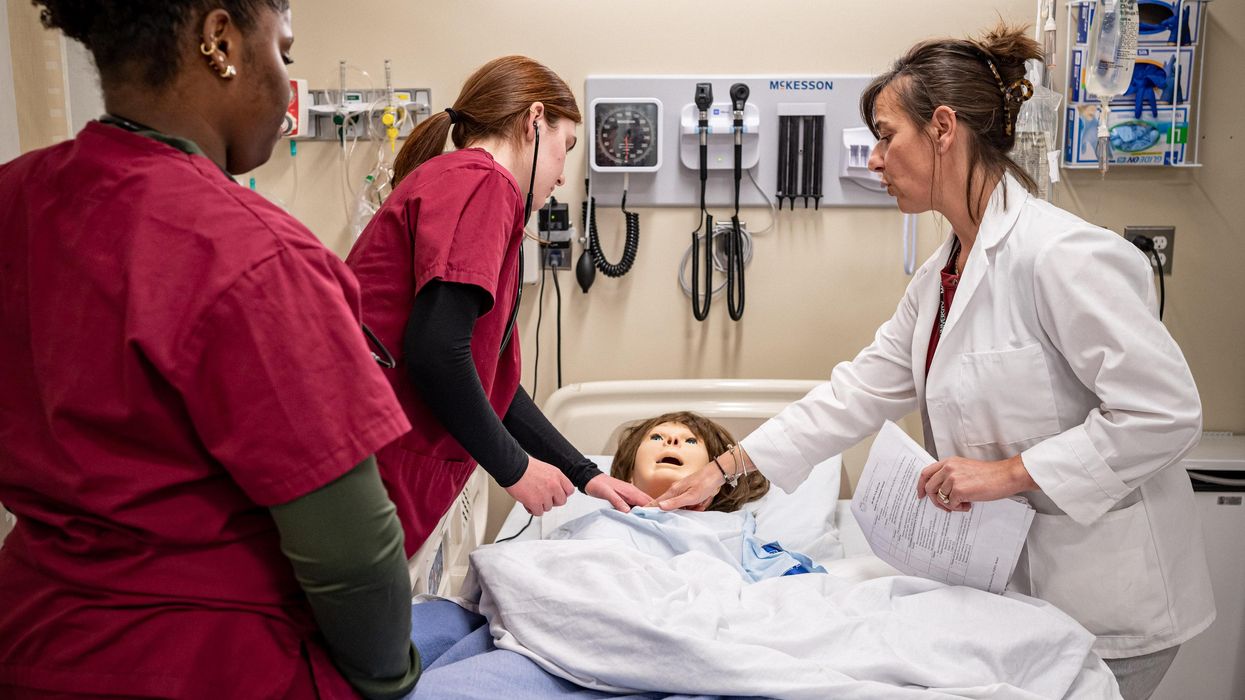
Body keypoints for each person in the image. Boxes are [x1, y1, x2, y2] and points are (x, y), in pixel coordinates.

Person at [650, 23, 1214, 700]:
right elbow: (853, 393)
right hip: (1015, 600)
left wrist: (1004, 474)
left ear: (942, 128)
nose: (874, 159)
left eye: (886, 136)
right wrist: (725, 467)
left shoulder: (1062, 255)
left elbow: (1164, 413)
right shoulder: (939, 277)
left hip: (1109, 602)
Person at [0, 2, 419, 698]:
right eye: (282, 51)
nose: (287, 85)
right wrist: (387, 680)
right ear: (220, 41)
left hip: (32, 639)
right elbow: (351, 554)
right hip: (210, 663)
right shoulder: (252, 255)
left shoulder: (16, 201)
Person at [346, 56, 650, 558]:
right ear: (534, 121)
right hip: (373, 466)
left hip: (382, 465)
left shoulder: (467, 185)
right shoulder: (482, 182)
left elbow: (493, 387)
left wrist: (586, 475)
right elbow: (438, 351)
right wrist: (516, 468)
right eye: (565, 147)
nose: (561, 178)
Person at [610, 411, 769, 512]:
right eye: (657, 437)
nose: (672, 440)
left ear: (717, 482)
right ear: (629, 476)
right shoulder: (606, 526)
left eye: (691, 441)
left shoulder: (734, 531)